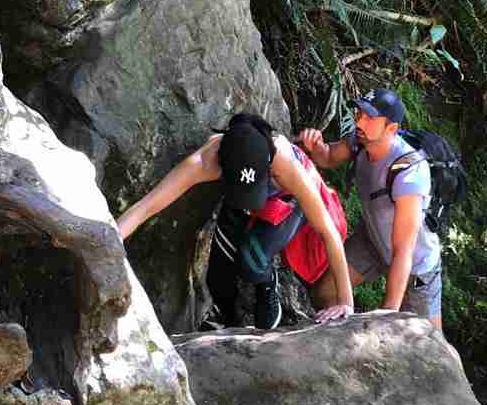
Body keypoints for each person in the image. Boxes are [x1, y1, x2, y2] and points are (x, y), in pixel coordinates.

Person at [117, 113, 354, 330]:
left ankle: (267, 283)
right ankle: (229, 319)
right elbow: (147, 206)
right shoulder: (205, 161)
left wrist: (345, 302)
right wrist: (111, 238)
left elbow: (327, 231)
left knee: (252, 261)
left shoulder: (286, 164)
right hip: (245, 196)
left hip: (291, 201)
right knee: (218, 275)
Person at [298, 88, 444, 330]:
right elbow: (328, 157)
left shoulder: (410, 171)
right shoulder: (360, 140)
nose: (359, 121)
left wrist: (387, 313)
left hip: (416, 266)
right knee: (325, 293)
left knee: (428, 340)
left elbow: (403, 251)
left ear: (391, 128)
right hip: (374, 240)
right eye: (359, 114)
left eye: (369, 117)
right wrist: (315, 144)